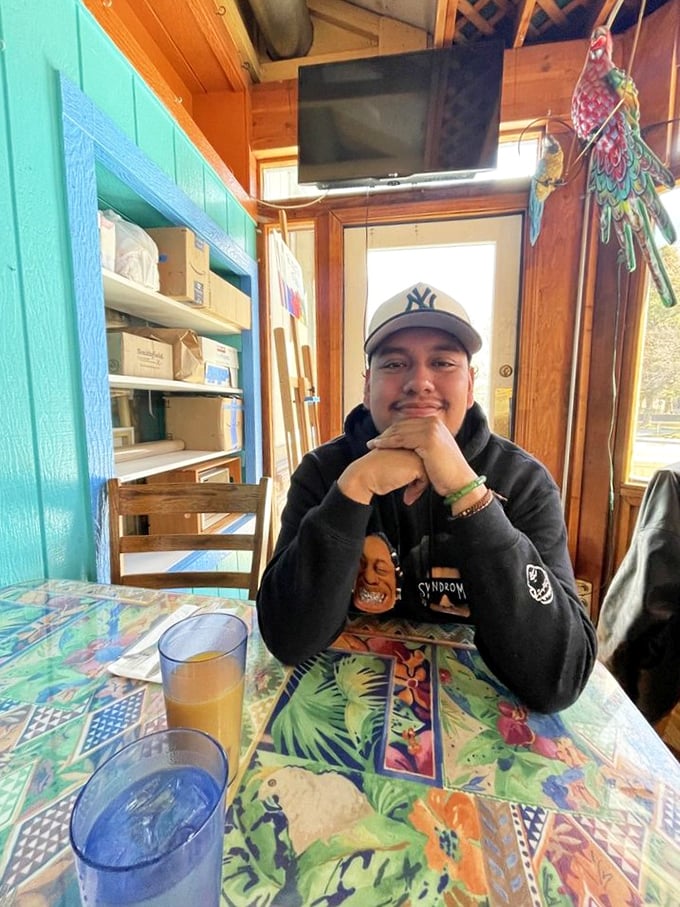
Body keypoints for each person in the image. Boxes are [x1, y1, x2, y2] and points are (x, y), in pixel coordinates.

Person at [257, 282, 597, 712]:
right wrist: (353, 489)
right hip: (347, 704)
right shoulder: (324, 473)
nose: (419, 382)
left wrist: (467, 492)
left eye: (442, 362)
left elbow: (558, 678)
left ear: (471, 384)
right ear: (367, 387)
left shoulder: (524, 482)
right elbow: (288, 639)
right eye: (395, 364)